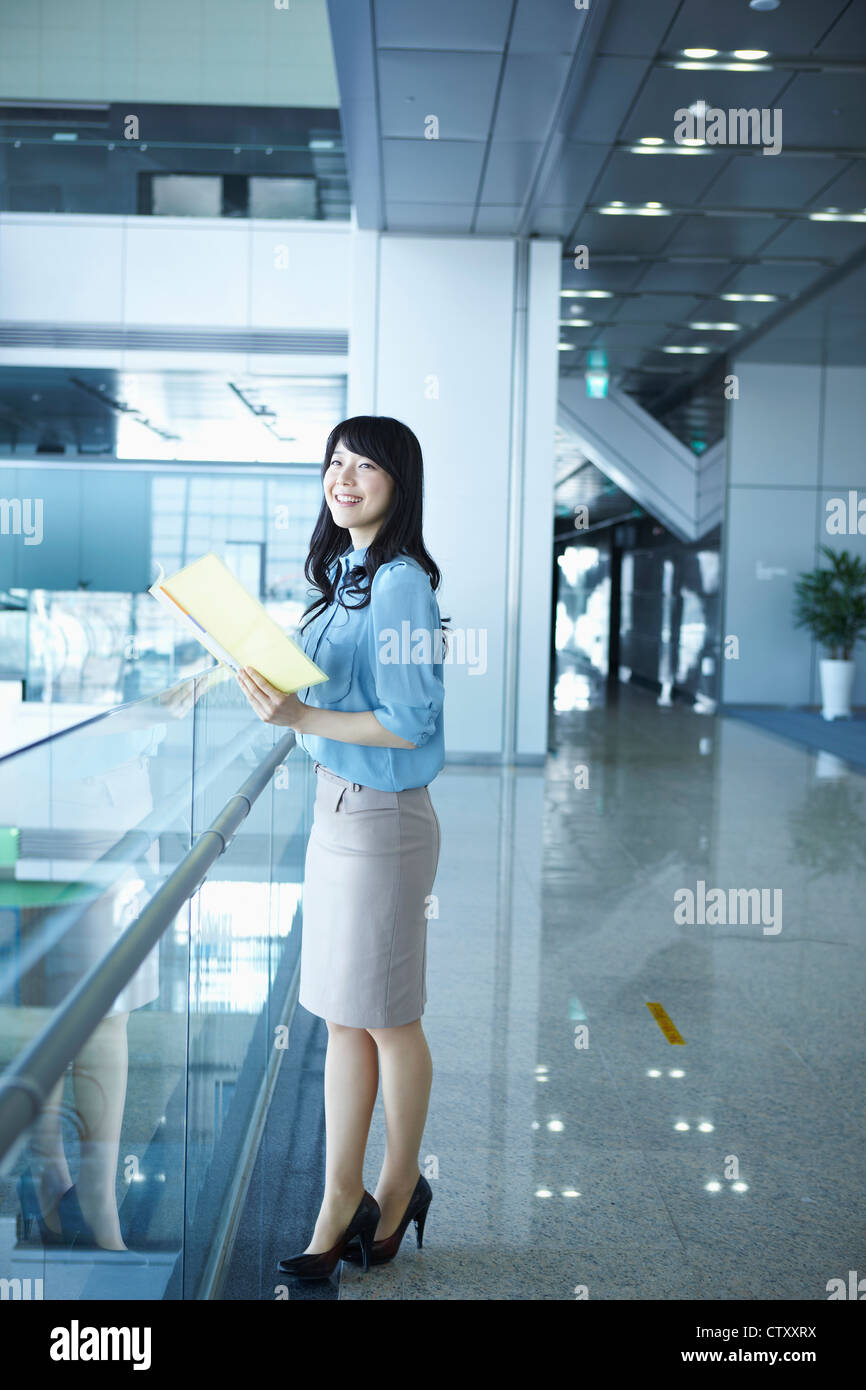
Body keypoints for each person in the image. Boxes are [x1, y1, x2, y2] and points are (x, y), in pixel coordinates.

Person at [237, 415, 448, 1279]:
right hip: (339, 815)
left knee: (389, 1018)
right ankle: (339, 1192)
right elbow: (320, 684)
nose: (344, 477)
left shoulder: (398, 583)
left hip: (382, 823)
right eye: (334, 462)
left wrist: (299, 718)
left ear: (400, 481)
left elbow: (409, 721)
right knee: (343, 1015)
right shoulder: (344, 579)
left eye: (366, 464)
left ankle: (396, 1191)